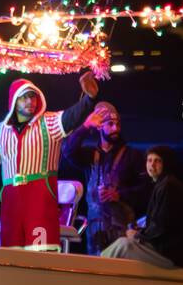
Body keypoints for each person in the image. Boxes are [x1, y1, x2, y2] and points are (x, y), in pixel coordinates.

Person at [0, 71, 99, 248]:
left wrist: (89, 99)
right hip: (11, 203)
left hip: (39, 200)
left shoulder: (48, 123)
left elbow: (71, 117)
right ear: (14, 101)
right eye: (24, 98)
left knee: (40, 254)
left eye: (33, 96)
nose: (30, 101)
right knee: (9, 255)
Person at [61, 101, 151, 254]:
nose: (116, 128)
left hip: (123, 229)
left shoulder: (132, 155)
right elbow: (67, 150)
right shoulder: (90, 155)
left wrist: (120, 195)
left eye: (118, 124)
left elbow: (148, 189)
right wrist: (85, 126)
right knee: (96, 273)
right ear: (99, 127)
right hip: (95, 231)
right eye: (110, 124)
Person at [101, 145, 183, 268]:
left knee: (124, 246)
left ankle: (94, 276)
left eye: (157, 161)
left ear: (166, 164)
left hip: (174, 256)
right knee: (124, 243)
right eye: (149, 160)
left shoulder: (169, 186)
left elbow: (161, 226)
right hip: (166, 251)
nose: (152, 165)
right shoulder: (163, 185)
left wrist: (137, 235)